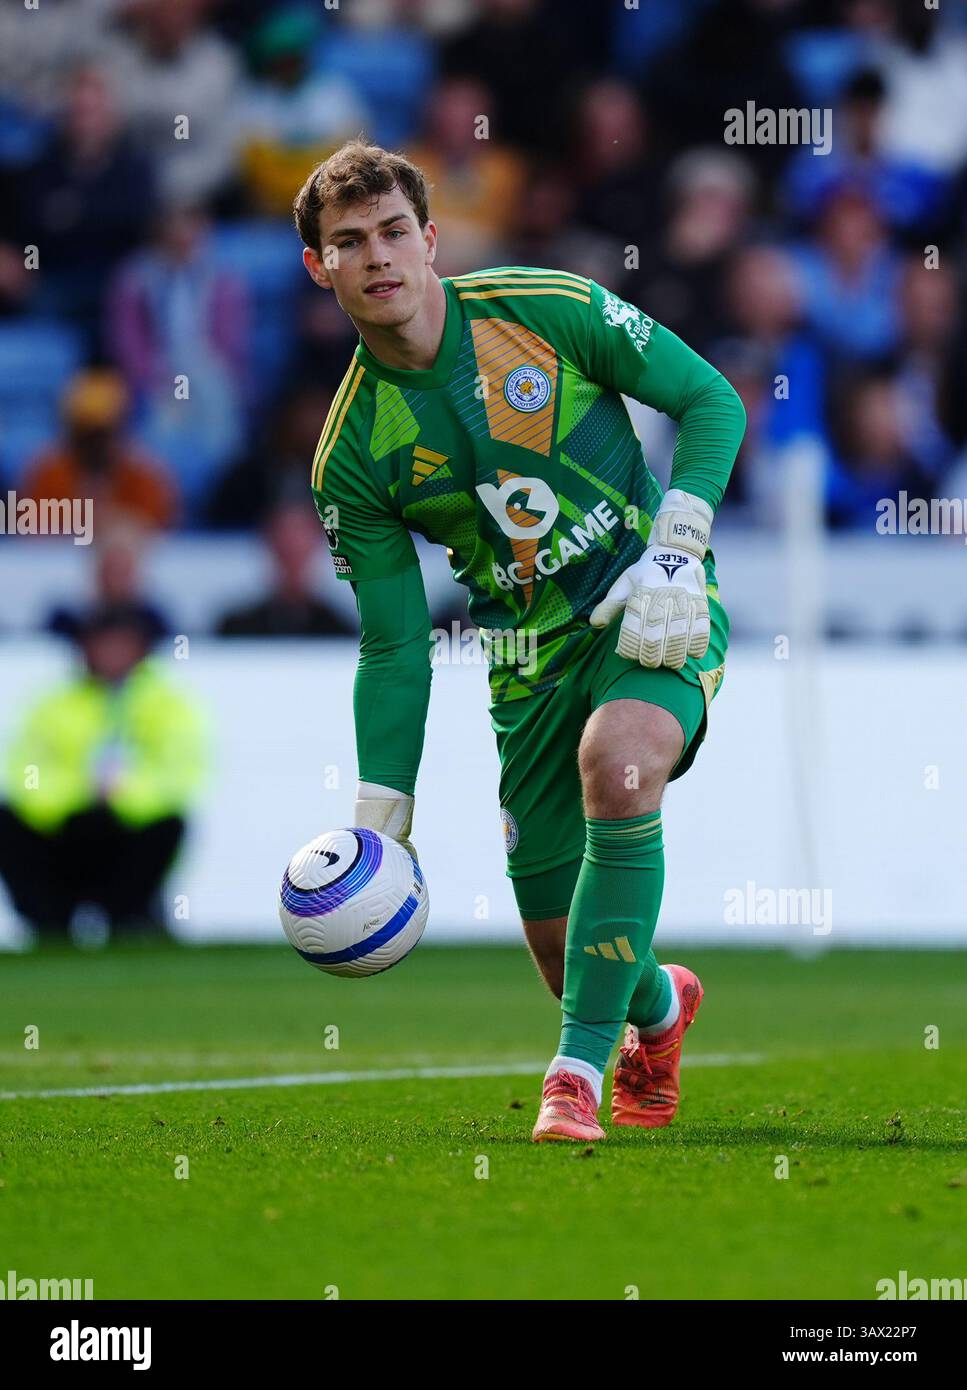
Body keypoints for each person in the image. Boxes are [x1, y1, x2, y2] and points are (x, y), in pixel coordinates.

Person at [293, 141, 745, 1143]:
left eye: (394, 232)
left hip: (652, 602)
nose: (378, 257)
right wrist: (383, 809)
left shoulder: (543, 307)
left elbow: (710, 399)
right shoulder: (351, 453)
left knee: (620, 766)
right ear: (319, 267)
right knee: (563, 946)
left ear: (431, 238)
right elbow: (393, 646)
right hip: (522, 665)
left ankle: (572, 1077)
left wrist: (678, 543)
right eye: (349, 243)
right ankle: (658, 1011)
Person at [0, 602, 205, 940]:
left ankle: (129, 918)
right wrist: (82, 793)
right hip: (63, 825)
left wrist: (123, 793)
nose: (112, 654)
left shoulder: (166, 704)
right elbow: (26, 772)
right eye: (103, 644)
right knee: (10, 821)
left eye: (121, 644)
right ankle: (49, 924)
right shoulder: (54, 704)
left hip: (130, 826)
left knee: (169, 825)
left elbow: (180, 774)